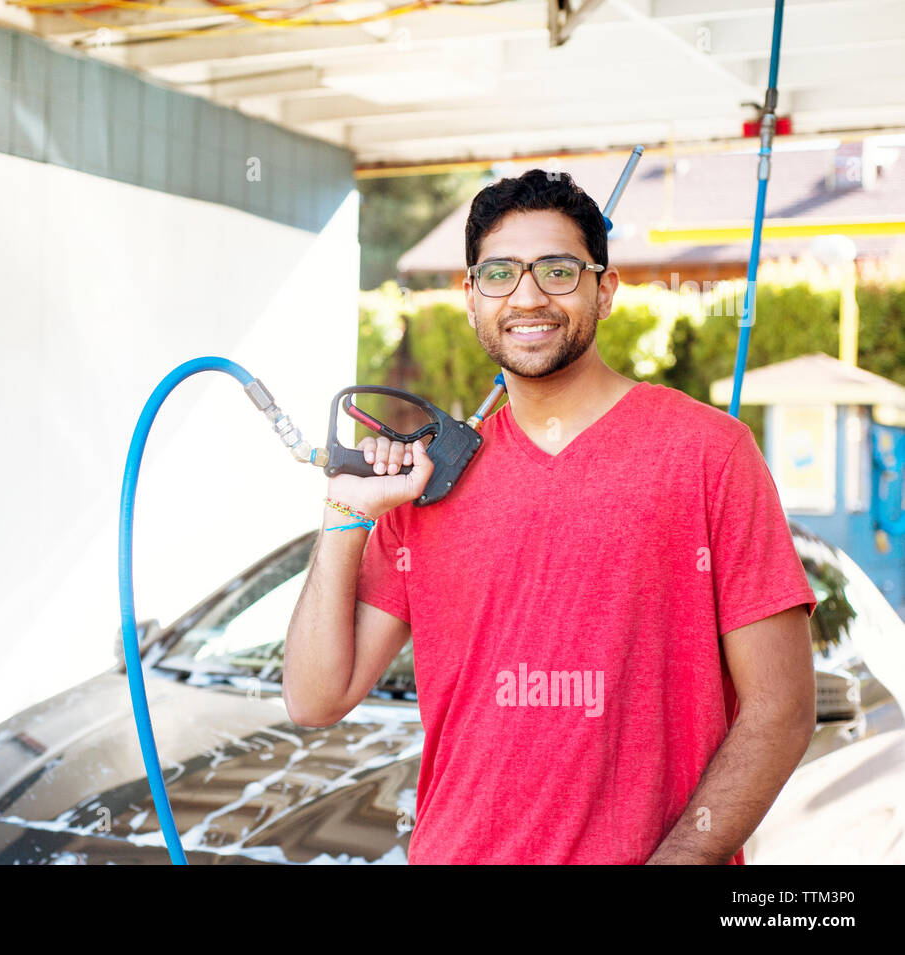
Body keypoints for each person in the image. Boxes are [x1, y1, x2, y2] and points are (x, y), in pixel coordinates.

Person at [282, 169, 819, 865]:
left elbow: (781, 710)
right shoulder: (431, 483)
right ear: (470, 298)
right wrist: (345, 514)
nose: (528, 295)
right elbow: (314, 696)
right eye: (500, 272)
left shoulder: (708, 454)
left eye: (558, 270)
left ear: (606, 288)